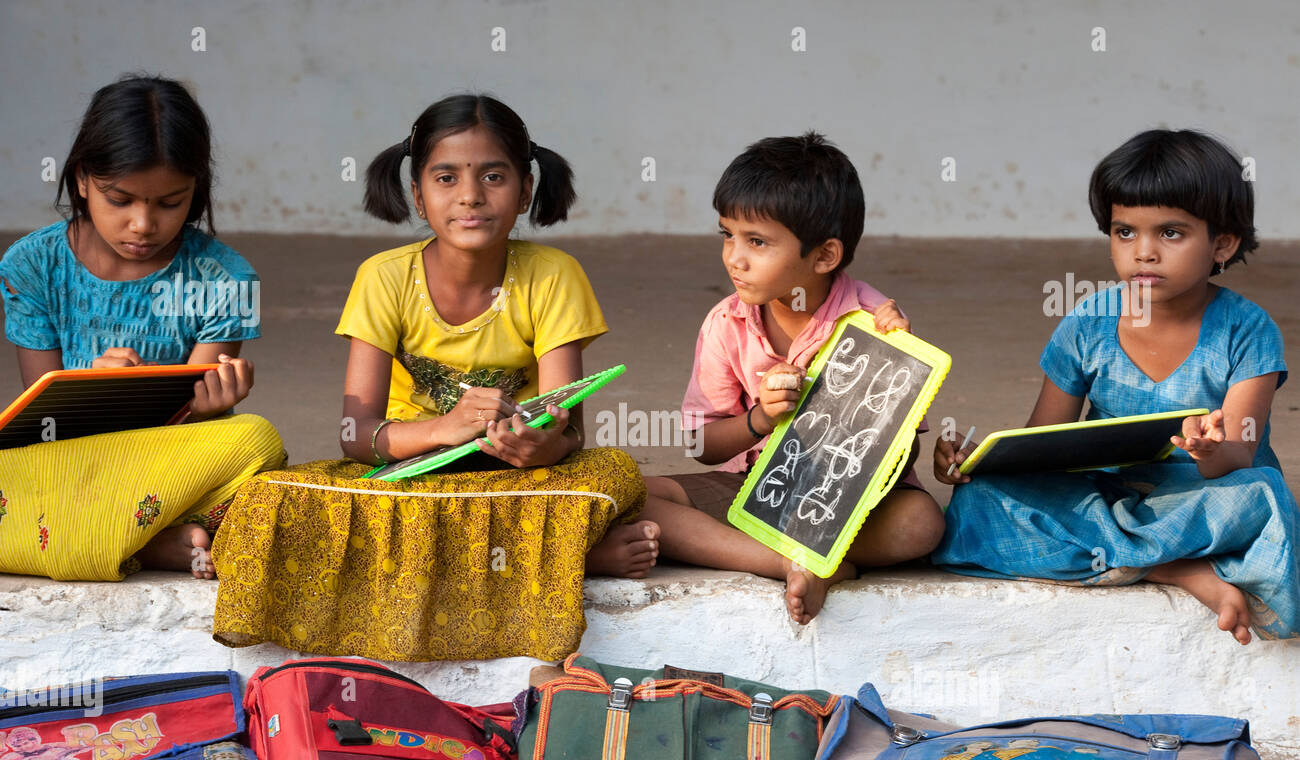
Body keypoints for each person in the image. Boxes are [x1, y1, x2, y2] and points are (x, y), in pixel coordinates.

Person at [210, 94, 648, 661]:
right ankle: (568, 553)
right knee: (273, 498)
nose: (470, 195)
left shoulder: (555, 276)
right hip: (411, 480)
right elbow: (355, 433)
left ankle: (561, 545)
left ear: (526, 191)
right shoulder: (383, 278)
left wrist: (538, 449)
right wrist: (444, 429)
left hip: (514, 482)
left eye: (494, 176)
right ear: (418, 194)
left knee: (613, 472)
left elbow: (571, 435)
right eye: (446, 178)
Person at [933, 128, 1298, 645]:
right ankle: (1175, 569)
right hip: (1103, 491)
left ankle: (1118, 554)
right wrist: (972, 462)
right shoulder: (1087, 323)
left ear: (1222, 243)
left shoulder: (1247, 330)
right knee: (980, 501)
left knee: (1262, 500)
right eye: (1125, 232)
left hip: (1199, 494)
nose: (1143, 253)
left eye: (1170, 233)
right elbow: (1043, 439)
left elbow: (1238, 454)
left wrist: (1207, 449)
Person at [640, 133, 946, 625]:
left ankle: (783, 551)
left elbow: (903, 453)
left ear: (824, 256)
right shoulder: (727, 322)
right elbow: (703, 443)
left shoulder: (875, 324)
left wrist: (884, 372)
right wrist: (759, 420)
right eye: (727, 234)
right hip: (752, 490)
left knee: (921, 524)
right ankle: (791, 562)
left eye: (756, 242)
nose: (734, 258)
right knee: (633, 498)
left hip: (848, 502)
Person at [0, 75, 283, 581]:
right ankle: (148, 543)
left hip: (167, 465)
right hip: (71, 462)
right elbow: (41, 424)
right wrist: (93, 386)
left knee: (255, 441)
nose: (143, 224)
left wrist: (206, 407)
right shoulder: (32, 265)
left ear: (196, 190)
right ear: (83, 179)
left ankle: (89, 538)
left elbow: (196, 421)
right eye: (121, 200)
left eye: (169, 203)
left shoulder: (225, 278)